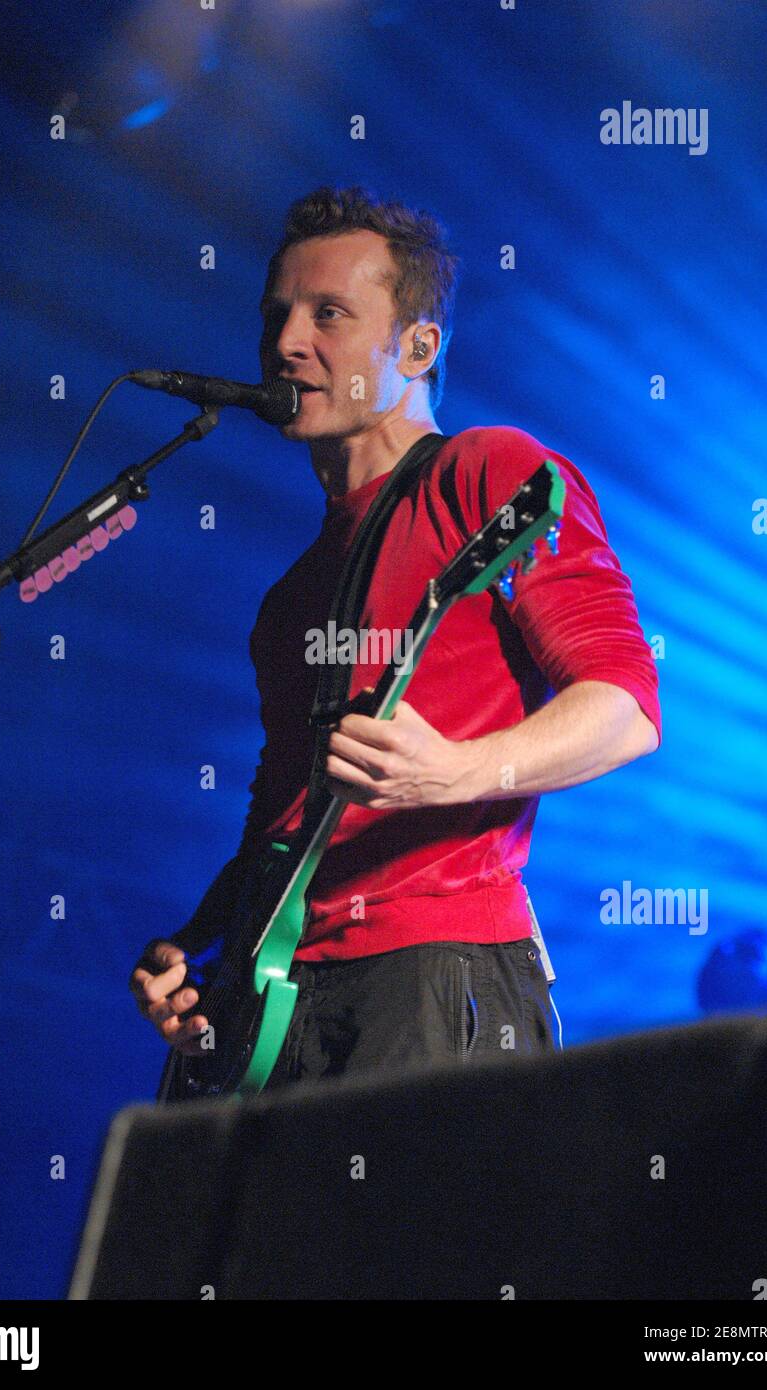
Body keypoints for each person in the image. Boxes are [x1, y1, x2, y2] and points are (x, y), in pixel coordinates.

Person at [129, 185, 661, 1089]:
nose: (287, 342)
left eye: (328, 314)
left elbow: (625, 708)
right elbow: (282, 813)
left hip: (430, 973)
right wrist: (195, 942)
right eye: (278, 315)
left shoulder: (488, 469)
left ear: (416, 346)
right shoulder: (290, 595)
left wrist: (454, 770)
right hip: (278, 996)